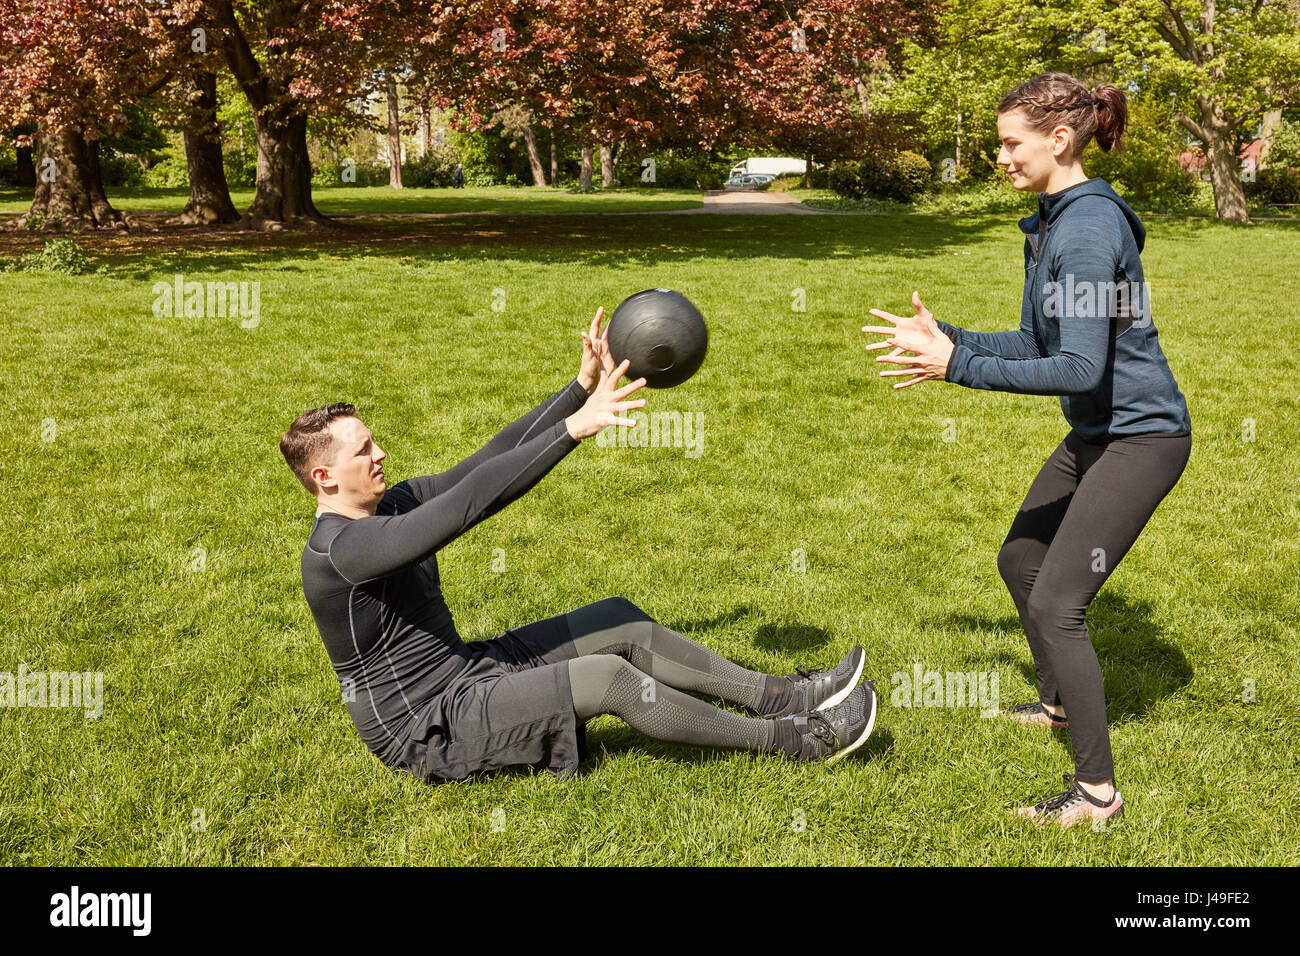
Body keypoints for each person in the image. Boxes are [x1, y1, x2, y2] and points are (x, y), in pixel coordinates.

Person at [281, 308, 877, 783]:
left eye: (373, 442)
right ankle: (799, 740)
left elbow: (484, 463)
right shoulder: (341, 555)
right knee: (607, 678)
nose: (379, 454)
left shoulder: (390, 503)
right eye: (362, 452)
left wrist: (579, 388)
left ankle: (786, 696)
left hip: (465, 671)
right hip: (427, 725)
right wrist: (575, 429)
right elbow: (468, 507)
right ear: (324, 478)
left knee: (622, 623)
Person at [862, 72, 1191, 827]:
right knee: (1021, 560)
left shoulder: (1085, 230)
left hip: (1142, 438)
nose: (1000, 156)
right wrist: (955, 339)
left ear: (1058, 139)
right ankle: (1059, 704)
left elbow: (1080, 369)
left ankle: (1098, 794)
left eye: (1011, 143)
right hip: (1101, 430)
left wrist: (955, 368)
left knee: (1058, 601)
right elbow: (1042, 342)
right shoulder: (1056, 220)